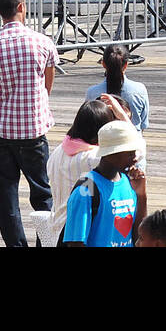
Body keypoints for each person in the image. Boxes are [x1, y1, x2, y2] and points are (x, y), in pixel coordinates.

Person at [0, 0, 59, 247]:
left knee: (6, 197)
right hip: (33, 130)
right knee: (43, 194)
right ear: (22, 7)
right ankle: (44, 243)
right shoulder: (43, 42)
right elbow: (47, 84)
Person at [43, 96, 123, 246]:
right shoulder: (94, 158)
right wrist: (122, 116)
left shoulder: (58, 152)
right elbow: (134, 153)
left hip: (57, 228)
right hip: (80, 230)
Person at [61, 120, 147, 247]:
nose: (135, 158)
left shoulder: (129, 182)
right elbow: (75, 242)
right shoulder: (86, 188)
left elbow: (140, 237)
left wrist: (141, 195)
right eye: (129, 153)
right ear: (110, 153)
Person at [84, 45, 149, 130]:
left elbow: (88, 122)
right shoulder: (140, 89)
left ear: (103, 64)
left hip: (102, 141)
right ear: (126, 65)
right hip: (132, 139)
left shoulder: (92, 92)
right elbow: (143, 124)